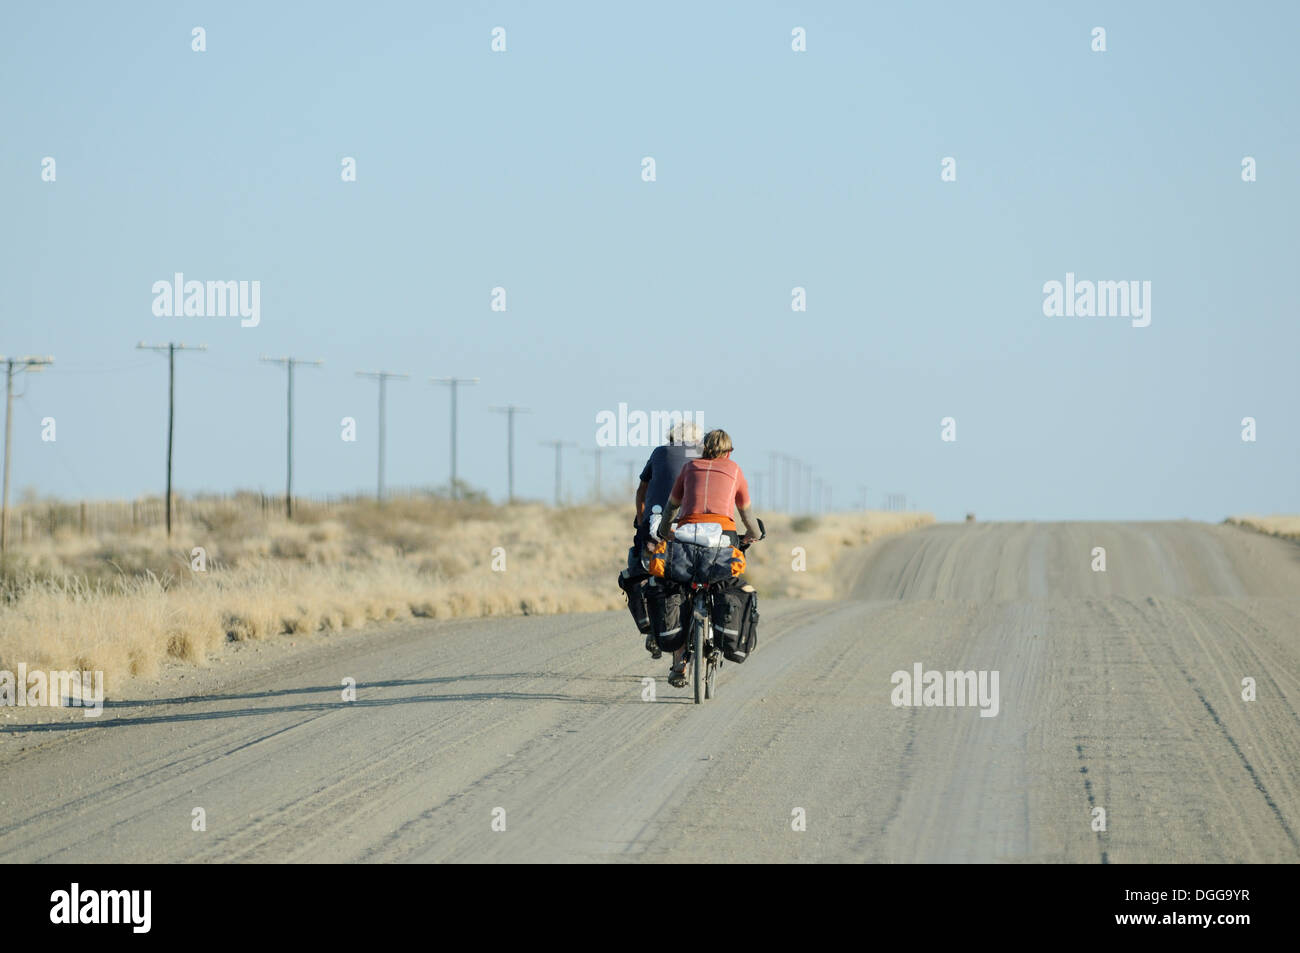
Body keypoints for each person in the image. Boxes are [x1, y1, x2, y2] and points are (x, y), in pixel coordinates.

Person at [655, 428, 762, 687]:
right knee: (724, 581)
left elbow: (672, 506)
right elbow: (746, 513)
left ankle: (679, 661)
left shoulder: (689, 468)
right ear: (729, 451)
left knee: (679, 586)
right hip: (722, 537)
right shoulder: (734, 470)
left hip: (686, 533)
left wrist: (662, 530)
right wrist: (754, 534)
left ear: (703, 448)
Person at [617, 420, 702, 657]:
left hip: (656, 529)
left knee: (648, 573)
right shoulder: (703, 455)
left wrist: (640, 520)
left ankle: (652, 627)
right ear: (696, 440)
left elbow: (641, 491)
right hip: (693, 528)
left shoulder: (659, 452)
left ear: (672, 438)